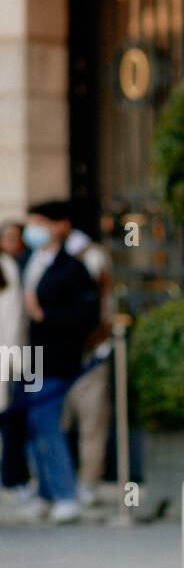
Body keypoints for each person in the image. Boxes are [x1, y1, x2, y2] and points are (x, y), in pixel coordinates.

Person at [17, 200, 99, 524]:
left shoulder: (73, 268)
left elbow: (86, 315)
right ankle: (46, 493)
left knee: (49, 424)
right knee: (35, 424)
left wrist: (44, 314)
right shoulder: (31, 262)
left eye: (39, 222)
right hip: (32, 356)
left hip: (57, 358)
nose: (32, 229)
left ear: (58, 225)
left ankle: (66, 494)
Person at [59, 228, 114, 507]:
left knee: (91, 424)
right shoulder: (48, 265)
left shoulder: (94, 260)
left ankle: (87, 483)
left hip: (89, 359)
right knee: (54, 425)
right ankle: (57, 484)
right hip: (54, 362)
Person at [0, 245, 32, 498]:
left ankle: (17, 479)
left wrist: (12, 366)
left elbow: (11, 321)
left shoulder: (6, 267)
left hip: (10, 360)